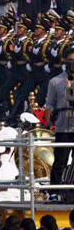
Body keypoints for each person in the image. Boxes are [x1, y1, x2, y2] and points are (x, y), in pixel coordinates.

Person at [45, 48, 74, 199]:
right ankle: (54, 191)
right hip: (63, 125)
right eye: (70, 61)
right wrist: (48, 120)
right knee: (60, 159)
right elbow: (50, 103)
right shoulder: (55, 81)